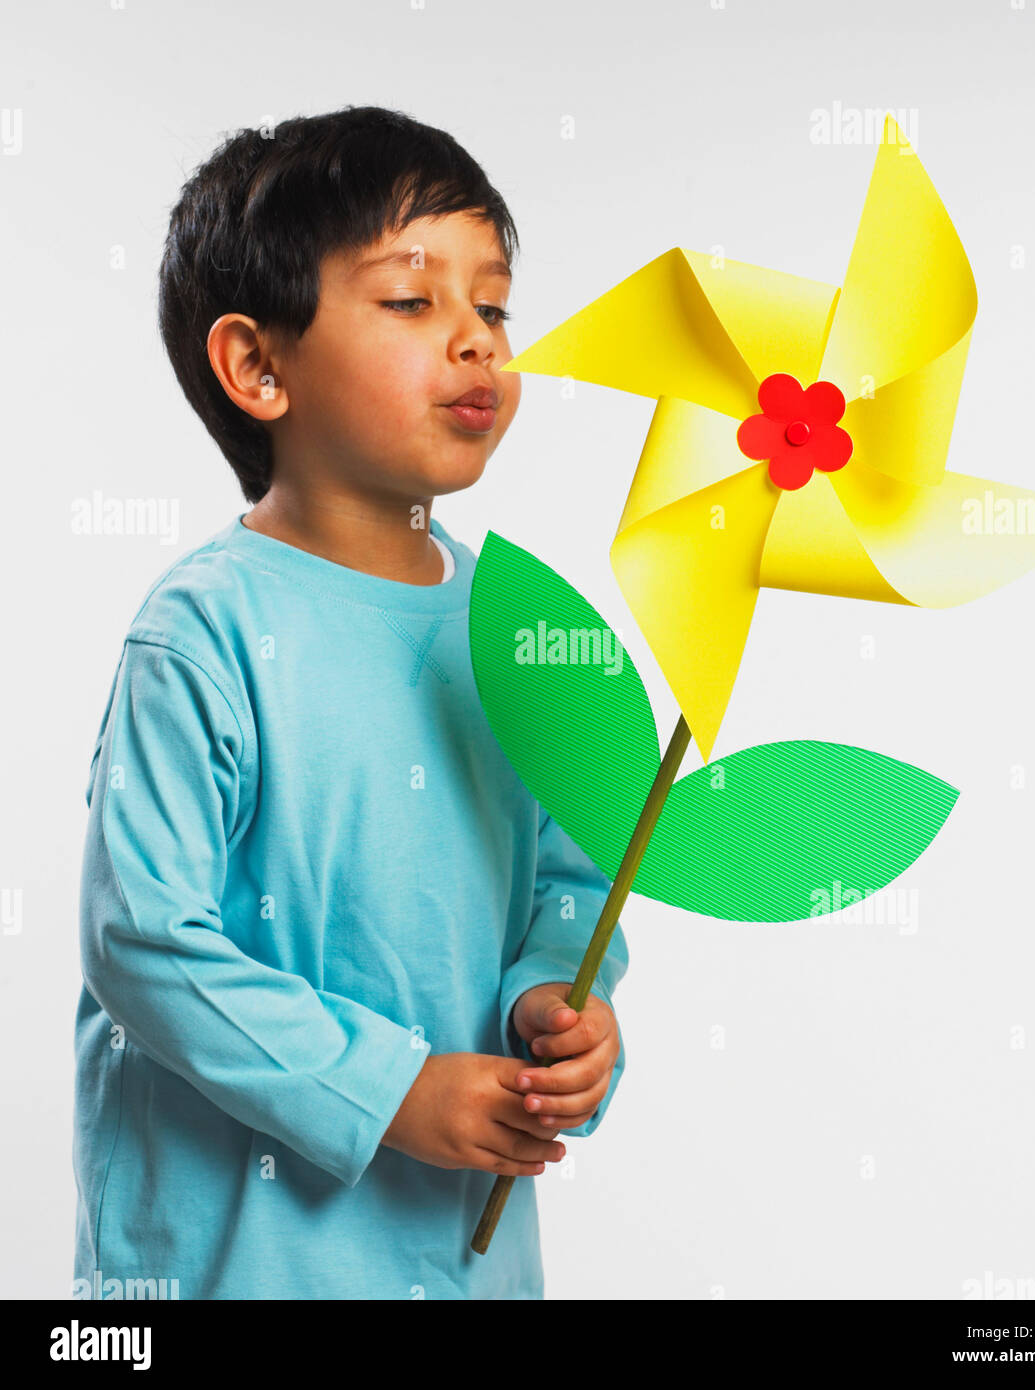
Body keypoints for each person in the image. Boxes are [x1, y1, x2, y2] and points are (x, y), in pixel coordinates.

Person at [72, 105, 628, 1300]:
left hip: (455, 1259)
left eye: (493, 306)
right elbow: (143, 940)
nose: (478, 342)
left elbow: (577, 879)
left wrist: (557, 997)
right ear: (258, 366)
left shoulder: (525, 634)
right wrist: (390, 1088)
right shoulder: (203, 632)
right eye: (413, 302)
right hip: (231, 1267)